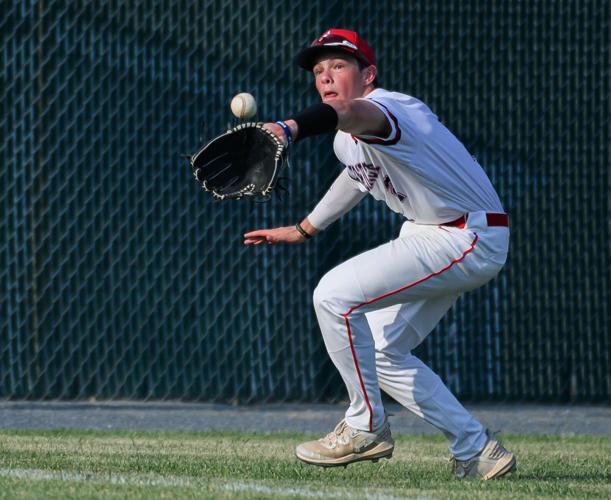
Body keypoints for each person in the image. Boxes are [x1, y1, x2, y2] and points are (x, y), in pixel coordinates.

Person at [243, 28, 516, 480]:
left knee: (333, 295)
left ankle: (364, 425)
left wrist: (288, 127)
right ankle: (477, 450)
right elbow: (356, 175)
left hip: (464, 236)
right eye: (318, 70)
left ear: (368, 73)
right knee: (382, 351)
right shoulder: (347, 139)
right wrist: (304, 229)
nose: (326, 76)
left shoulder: (392, 109)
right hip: (437, 234)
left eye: (339, 65)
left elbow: (346, 110)